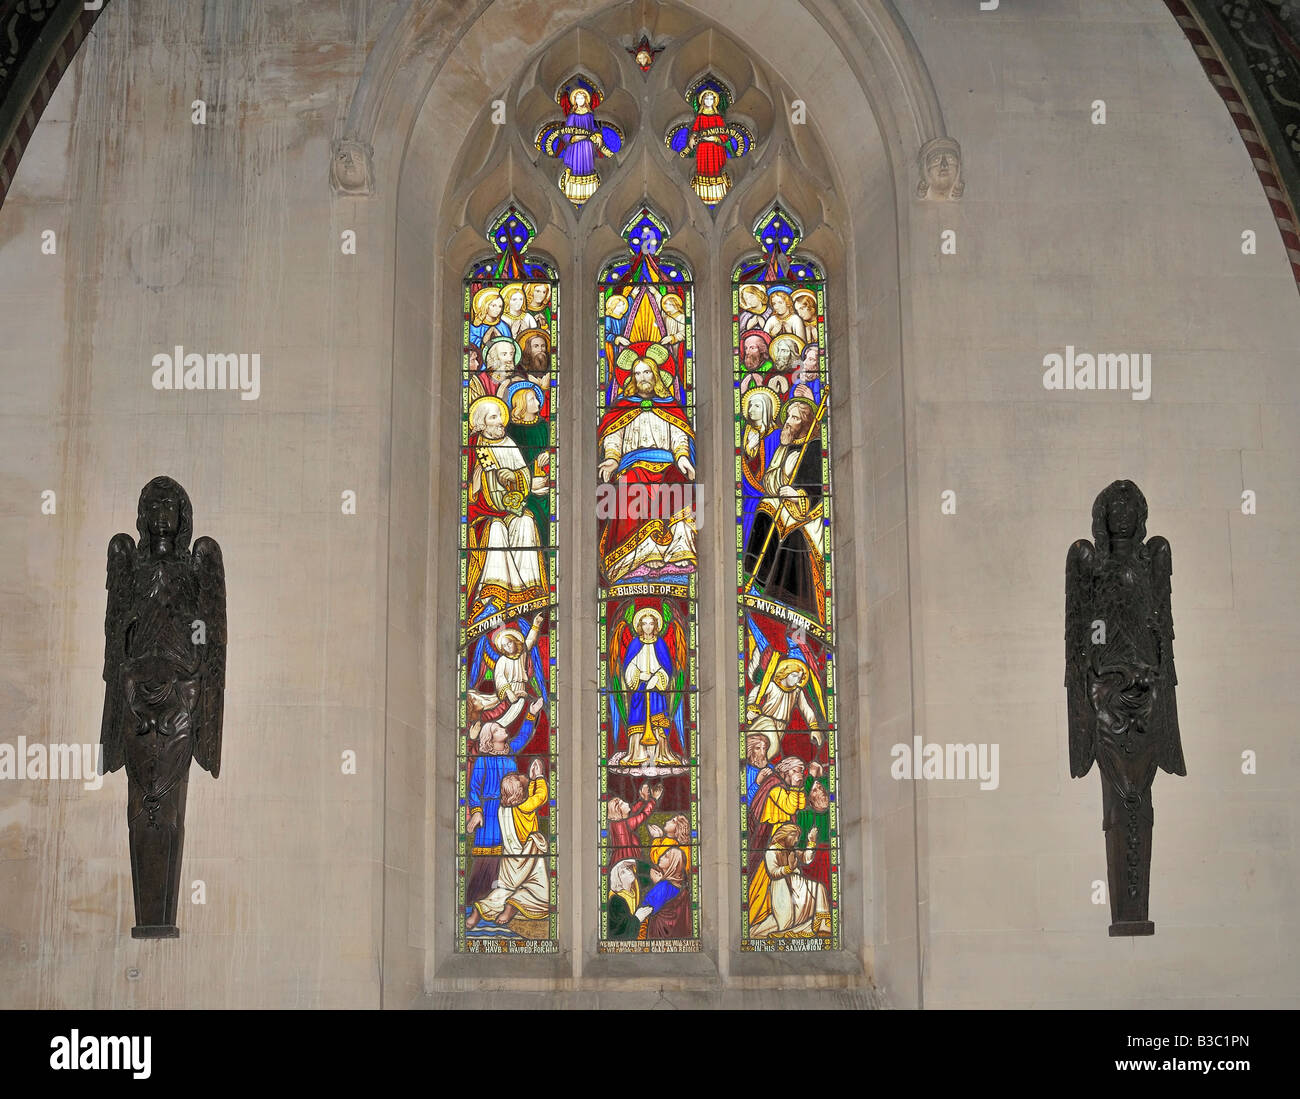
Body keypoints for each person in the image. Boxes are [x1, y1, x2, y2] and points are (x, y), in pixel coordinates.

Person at [597, 347, 696, 582]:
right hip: (633, 465)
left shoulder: (670, 405)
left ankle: (678, 552)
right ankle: (643, 555)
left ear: (656, 376)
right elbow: (614, 437)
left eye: (647, 373)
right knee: (631, 484)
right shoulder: (622, 407)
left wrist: (683, 458)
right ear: (632, 378)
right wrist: (612, 459)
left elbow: (679, 436)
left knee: (683, 487)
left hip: (666, 464)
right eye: (638, 373)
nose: (642, 378)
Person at [741, 397, 824, 621]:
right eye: (788, 417)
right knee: (765, 507)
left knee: (794, 537)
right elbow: (770, 481)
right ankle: (756, 575)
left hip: (809, 515)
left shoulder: (814, 447)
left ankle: (788, 596)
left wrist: (798, 495)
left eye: (795, 418)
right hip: (786, 505)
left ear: (806, 424)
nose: (788, 422)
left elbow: (817, 488)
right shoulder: (785, 447)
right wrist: (782, 488)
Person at [465, 396, 549, 617]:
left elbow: (522, 472)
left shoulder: (508, 442)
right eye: (494, 417)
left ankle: (527, 590)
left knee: (526, 522)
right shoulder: (474, 445)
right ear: (483, 423)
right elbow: (470, 491)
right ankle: (493, 592)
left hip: (510, 506)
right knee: (496, 530)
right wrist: (483, 475)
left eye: (501, 417)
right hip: (483, 512)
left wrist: (512, 476)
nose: (501, 422)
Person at [465, 762, 550, 930]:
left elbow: (530, 799)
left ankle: (480, 909)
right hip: (527, 859)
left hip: (509, 862)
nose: (522, 776)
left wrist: (531, 781)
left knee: (504, 888)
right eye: (519, 779)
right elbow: (540, 797)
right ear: (520, 792)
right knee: (540, 893)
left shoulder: (503, 809)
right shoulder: (524, 808)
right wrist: (539, 778)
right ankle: (512, 906)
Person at [617, 609, 682, 766]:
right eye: (644, 623)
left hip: (656, 691)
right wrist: (638, 675)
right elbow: (629, 666)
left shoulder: (660, 644)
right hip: (639, 690)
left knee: (657, 720)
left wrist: (658, 677)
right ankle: (637, 755)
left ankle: (659, 755)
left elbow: (666, 667)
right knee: (637, 719)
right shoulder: (635, 644)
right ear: (639, 625)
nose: (647, 627)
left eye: (651, 623)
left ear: (656, 626)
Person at [747, 822, 831, 940]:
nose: (796, 840)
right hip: (782, 886)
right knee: (786, 921)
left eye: (797, 837)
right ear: (785, 835)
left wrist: (811, 842)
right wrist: (788, 868)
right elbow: (773, 872)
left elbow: (806, 859)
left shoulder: (791, 849)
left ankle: (823, 925)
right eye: (794, 836)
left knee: (819, 888)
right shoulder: (772, 850)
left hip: (798, 883)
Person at [745, 652, 822, 762]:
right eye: (794, 676)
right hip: (766, 721)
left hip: (781, 726)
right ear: (785, 673)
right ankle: (757, 765)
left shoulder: (796, 692)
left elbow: (806, 709)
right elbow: (755, 692)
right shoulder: (772, 686)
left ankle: (756, 766)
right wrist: (751, 707)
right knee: (773, 748)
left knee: (770, 751)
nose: (796, 680)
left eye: (799, 678)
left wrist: (814, 727)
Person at [636, 846, 690, 939]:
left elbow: (648, 907)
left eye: (666, 856)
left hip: (658, 931)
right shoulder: (678, 884)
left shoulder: (664, 886)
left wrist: (658, 884)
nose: (661, 856)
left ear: (673, 864)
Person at [607, 782, 661, 866]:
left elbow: (633, 810)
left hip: (617, 857)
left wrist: (643, 799)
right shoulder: (627, 823)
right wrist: (653, 800)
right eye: (622, 804)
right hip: (629, 855)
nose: (626, 803)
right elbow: (644, 814)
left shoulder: (616, 823)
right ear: (619, 812)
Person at [607, 859, 641, 940]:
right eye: (622, 872)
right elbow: (620, 931)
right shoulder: (616, 901)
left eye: (627, 868)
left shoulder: (635, 892)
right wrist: (638, 918)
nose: (628, 871)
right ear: (618, 880)